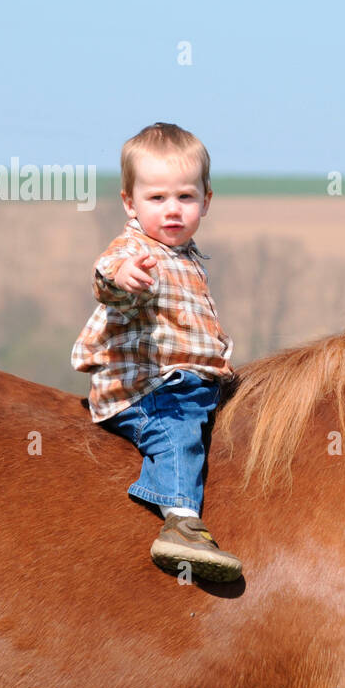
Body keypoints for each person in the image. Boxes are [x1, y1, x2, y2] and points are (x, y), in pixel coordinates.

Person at [71, 122, 241, 582]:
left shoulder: (187, 258)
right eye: (156, 198)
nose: (172, 210)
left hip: (184, 380)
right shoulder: (136, 249)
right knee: (177, 431)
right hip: (143, 390)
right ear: (130, 202)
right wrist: (123, 276)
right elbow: (105, 276)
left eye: (185, 198)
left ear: (206, 200)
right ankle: (180, 523)